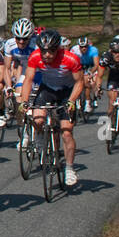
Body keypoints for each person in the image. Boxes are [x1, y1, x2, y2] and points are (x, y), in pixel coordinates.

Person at [19, 28, 83, 186]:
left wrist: (72, 101)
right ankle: (40, 137)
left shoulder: (70, 59)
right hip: (47, 89)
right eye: (44, 51)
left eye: (51, 51)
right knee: (38, 119)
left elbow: (80, 82)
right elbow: (28, 79)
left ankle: (69, 168)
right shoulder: (35, 57)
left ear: (58, 49)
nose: (47, 55)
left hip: (67, 92)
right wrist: (24, 101)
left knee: (66, 132)